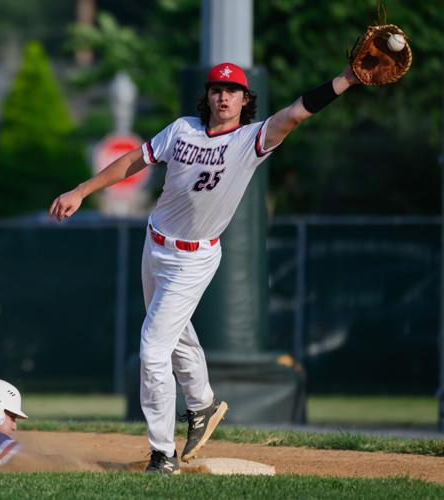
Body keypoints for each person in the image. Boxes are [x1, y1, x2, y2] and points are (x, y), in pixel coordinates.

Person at [50, 62, 363, 474]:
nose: (224, 96)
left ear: (246, 99)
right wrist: (81, 190)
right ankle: (202, 405)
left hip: (194, 257)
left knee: (153, 347)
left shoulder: (252, 139)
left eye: (233, 90)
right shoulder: (182, 129)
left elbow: (296, 112)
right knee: (174, 333)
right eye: (217, 88)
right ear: (208, 95)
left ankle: (162, 453)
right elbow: (134, 160)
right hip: (155, 242)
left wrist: (346, 80)